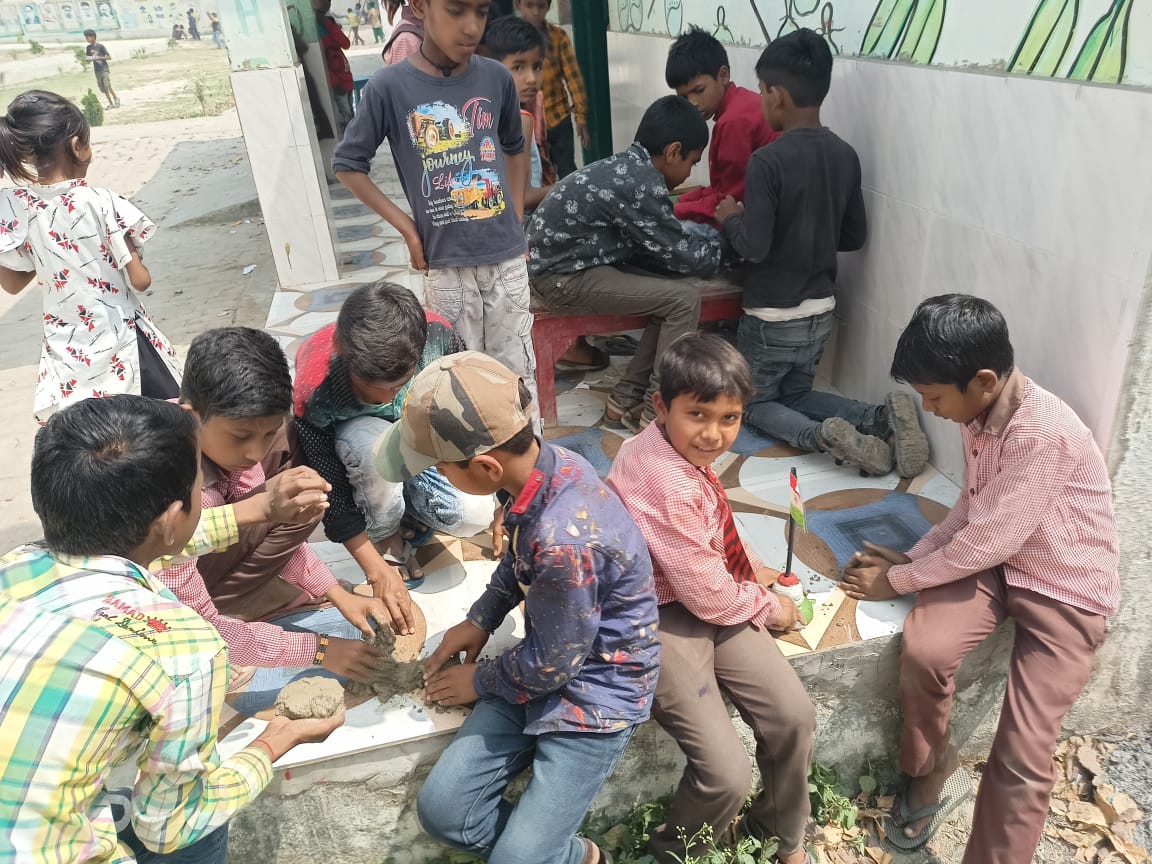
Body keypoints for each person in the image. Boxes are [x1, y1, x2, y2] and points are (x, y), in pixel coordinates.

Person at [0, 395, 344, 864]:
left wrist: (260, 509)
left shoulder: (14, 568)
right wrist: (278, 739)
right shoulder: (184, 649)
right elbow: (169, 827)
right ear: (169, 518)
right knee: (197, 815)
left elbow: (163, 538)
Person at [841, 295, 1121, 864]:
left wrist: (900, 580)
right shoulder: (979, 411)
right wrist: (913, 558)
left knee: (1021, 754)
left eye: (935, 398)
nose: (932, 410)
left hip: (1065, 586)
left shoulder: (1041, 434)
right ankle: (929, 769)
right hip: (998, 564)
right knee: (925, 647)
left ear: (985, 379)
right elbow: (974, 508)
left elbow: (987, 538)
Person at [370, 351, 659, 864]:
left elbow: (552, 666)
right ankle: (561, 856)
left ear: (484, 467)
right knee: (443, 813)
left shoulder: (565, 541)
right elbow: (517, 561)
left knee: (517, 858)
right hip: (542, 664)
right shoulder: (548, 468)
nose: (434, 475)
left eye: (438, 466)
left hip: (595, 695)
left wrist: (478, 682)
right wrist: (481, 617)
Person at [607, 334, 815, 864]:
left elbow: (708, 536)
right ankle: (675, 854)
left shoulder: (673, 451)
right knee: (726, 773)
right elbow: (709, 595)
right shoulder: (660, 477)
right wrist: (775, 610)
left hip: (702, 591)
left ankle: (779, 835)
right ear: (661, 406)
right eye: (698, 414)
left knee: (792, 716)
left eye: (730, 418)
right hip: (654, 612)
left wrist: (750, 567)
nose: (714, 434)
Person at [715, 29, 927, 477]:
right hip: (820, 312)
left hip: (771, 316)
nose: (761, 102)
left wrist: (730, 216)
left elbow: (754, 247)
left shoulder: (767, 162)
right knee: (794, 395)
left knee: (753, 403)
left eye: (762, 93)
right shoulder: (844, 155)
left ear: (777, 95)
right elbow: (853, 236)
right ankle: (879, 417)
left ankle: (823, 437)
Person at [156, 327, 392, 682]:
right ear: (191, 415)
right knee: (210, 652)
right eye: (241, 437)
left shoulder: (218, 440)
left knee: (294, 496)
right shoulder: (177, 496)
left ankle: (254, 598)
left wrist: (335, 594)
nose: (254, 453)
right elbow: (203, 628)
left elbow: (267, 523)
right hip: (158, 604)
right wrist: (319, 650)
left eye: (266, 434)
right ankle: (240, 610)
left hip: (190, 564)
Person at [334, 0, 535, 401]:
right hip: (446, 265)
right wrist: (409, 229)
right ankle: (471, 464)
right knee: (459, 381)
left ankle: (524, 461)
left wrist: (515, 216)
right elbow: (349, 165)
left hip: (506, 263)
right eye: (456, 11)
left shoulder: (496, 78)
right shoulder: (389, 88)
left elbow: (515, 145)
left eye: (481, 12)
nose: (472, 27)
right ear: (421, 7)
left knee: (516, 378)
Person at [527, 95, 724, 431]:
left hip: (565, 266)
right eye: (692, 162)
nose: (691, 171)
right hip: (560, 279)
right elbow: (681, 253)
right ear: (674, 151)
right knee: (683, 299)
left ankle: (625, 399)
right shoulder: (640, 182)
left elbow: (659, 249)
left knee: (671, 295)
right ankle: (656, 413)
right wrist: (729, 242)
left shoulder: (627, 166)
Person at [293, 281, 496, 598]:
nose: (383, 396)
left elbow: (473, 418)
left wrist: (513, 501)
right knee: (373, 454)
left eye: (396, 385)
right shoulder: (315, 388)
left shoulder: (439, 339)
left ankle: (405, 507)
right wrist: (374, 565)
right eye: (369, 386)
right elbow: (328, 483)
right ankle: (386, 532)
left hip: (419, 431)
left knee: (474, 517)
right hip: (360, 442)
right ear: (342, 353)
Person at [0, 90, 180, 423]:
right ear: (75, 145)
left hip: (68, 354)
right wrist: (125, 245)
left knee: (94, 439)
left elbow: (12, 282)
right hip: (121, 341)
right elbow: (141, 281)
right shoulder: (102, 202)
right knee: (168, 425)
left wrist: (44, 251)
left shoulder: (18, 208)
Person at [665, 27, 776, 233]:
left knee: (672, 233)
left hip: (760, 227)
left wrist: (677, 209)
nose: (693, 103)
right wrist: (682, 200)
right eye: (684, 97)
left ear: (723, 75)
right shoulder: (741, 102)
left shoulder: (733, 121)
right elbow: (721, 189)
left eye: (699, 91)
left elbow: (730, 201)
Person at [485, 15, 553, 211]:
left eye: (537, 66)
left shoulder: (486, 113)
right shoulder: (520, 120)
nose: (531, 78)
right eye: (518, 67)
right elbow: (522, 197)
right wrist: (568, 186)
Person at [514, 0, 586, 178]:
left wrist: (581, 116)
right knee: (535, 173)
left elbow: (573, 78)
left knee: (567, 169)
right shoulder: (511, 40)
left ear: (548, 7)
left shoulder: (558, 37)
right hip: (526, 120)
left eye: (541, 6)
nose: (536, 12)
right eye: (530, 6)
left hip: (557, 117)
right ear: (518, 5)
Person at [82, 30, 119, 109]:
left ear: (93, 37)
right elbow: (88, 58)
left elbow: (109, 57)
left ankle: (116, 98)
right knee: (103, 88)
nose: (86, 39)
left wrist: (99, 58)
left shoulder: (100, 46)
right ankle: (111, 103)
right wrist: (88, 60)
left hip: (104, 69)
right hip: (97, 71)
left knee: (107, 85)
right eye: (86, 37)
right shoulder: (88, 48)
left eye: (87, 37)